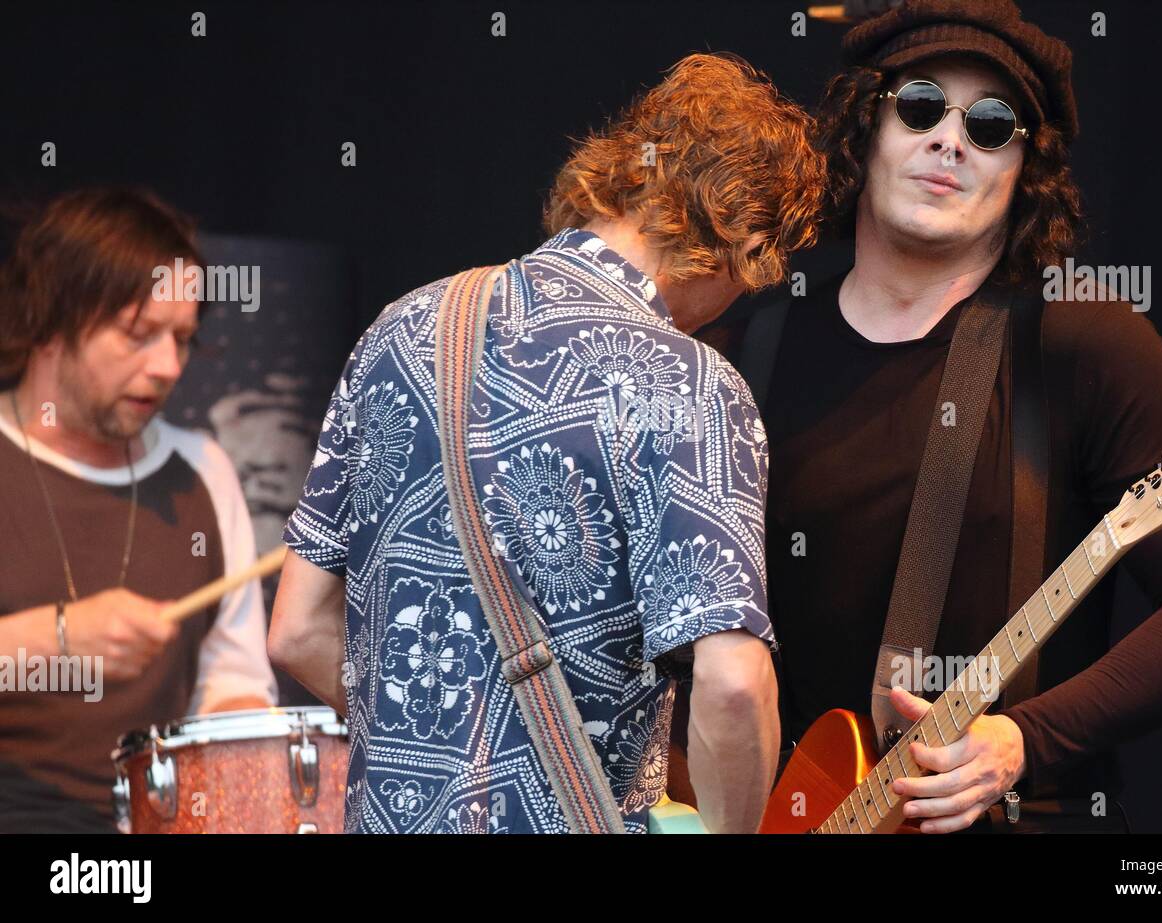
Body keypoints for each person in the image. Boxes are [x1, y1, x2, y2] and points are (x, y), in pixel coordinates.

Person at [738, 0, 1162, 832]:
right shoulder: (762, 332)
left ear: (1026, 168)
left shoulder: (1084, 337)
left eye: (991, 125)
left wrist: (1021, 739)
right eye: (919, 106)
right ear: (864, 128)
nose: (950, 140)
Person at [269, 52, 826, 833]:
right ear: (741, 239)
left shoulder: (402, 330)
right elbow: (734, 686)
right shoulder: (688, 382)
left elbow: (297, 630)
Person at [0, 187, 278, 833]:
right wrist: (55, 639)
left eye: (181, 339)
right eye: (138, 334)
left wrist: (244, 744)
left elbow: (230, 678)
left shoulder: (202, 469)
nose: (167, 366)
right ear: (52, 319)